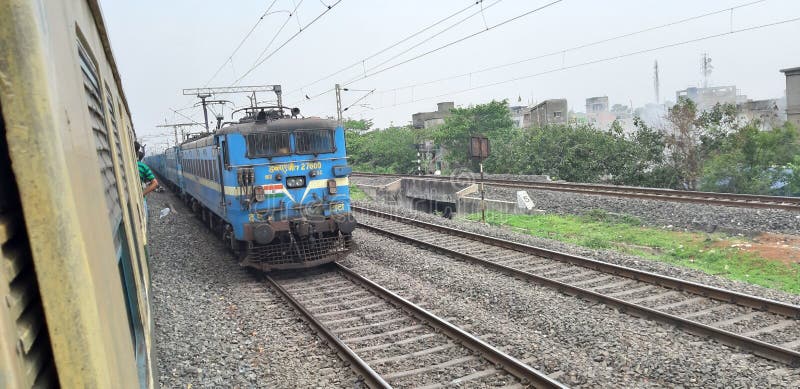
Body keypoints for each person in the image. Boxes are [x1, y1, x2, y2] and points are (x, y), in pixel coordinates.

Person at [135, 142, 158, 218]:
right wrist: (142, 194)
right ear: (137, 152)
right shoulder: (143, 166)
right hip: (141, 200)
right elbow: (155, 183)